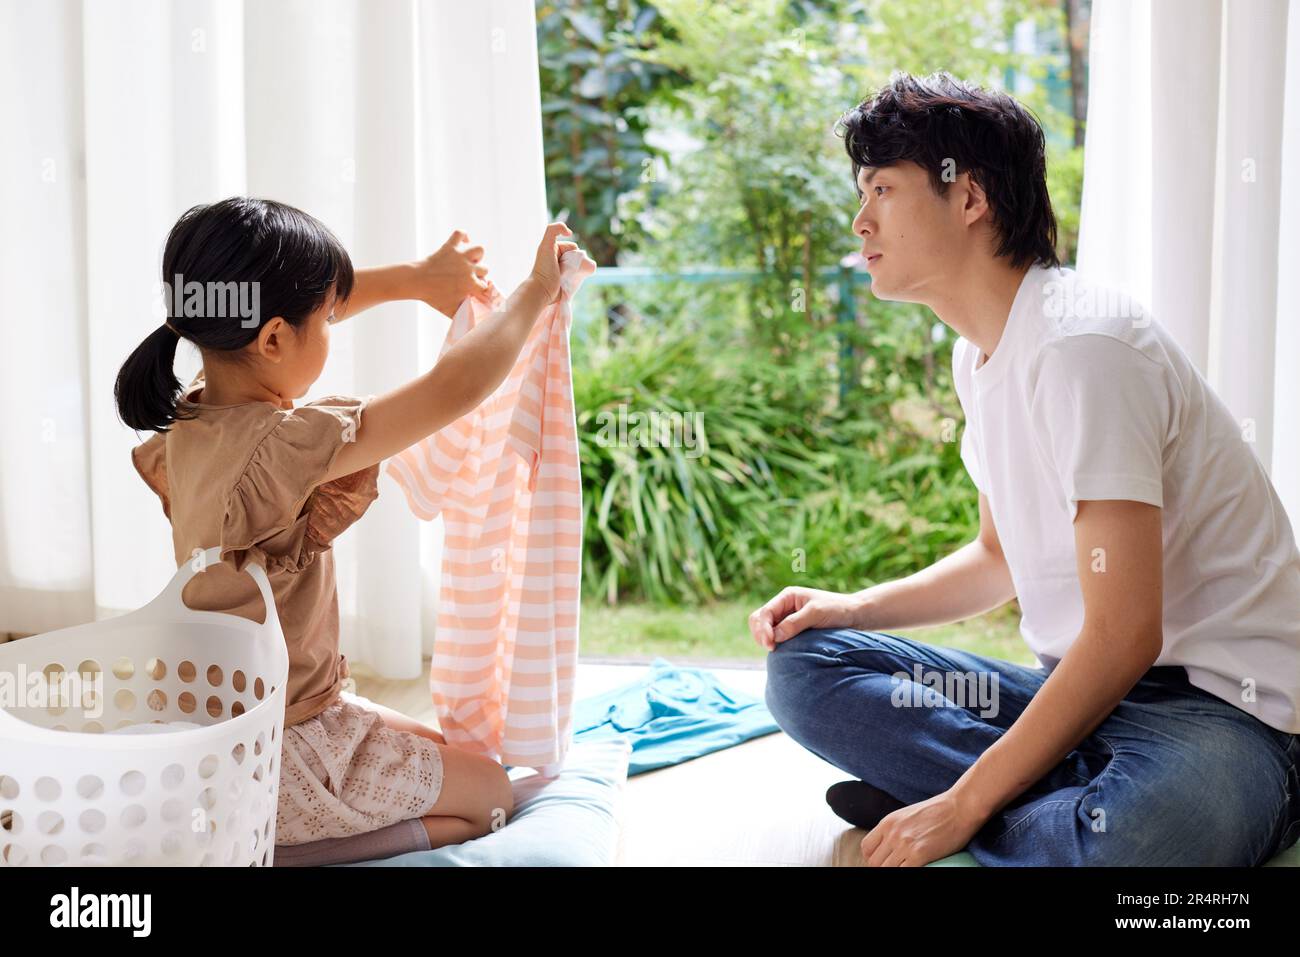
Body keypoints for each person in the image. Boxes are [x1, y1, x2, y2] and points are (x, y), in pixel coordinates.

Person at [752, 71, 1300, 866]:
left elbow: (1125, 634)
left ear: (967, 197)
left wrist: (962, 801)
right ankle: (1054, 800)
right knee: (804, 668)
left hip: (1219, 712)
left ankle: (993, 803)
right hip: (1075, 694)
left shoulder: (1084, 347)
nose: (859, 219)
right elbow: (996, 558)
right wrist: (848, 607)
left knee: (1142, 845)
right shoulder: (976, 357)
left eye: (881, 189)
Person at [121, 195, 590, 852]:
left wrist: (418, 279)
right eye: (327, 319)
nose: (334, 325)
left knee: (447, 747)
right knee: (491, 794)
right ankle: (281, 850)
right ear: (275, 338)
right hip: (288, 752)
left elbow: (281, 301)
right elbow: (455, 388)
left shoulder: (198, 415)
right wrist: (537, 290)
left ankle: (271, 830)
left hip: (231, 727)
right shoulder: (282, 448)